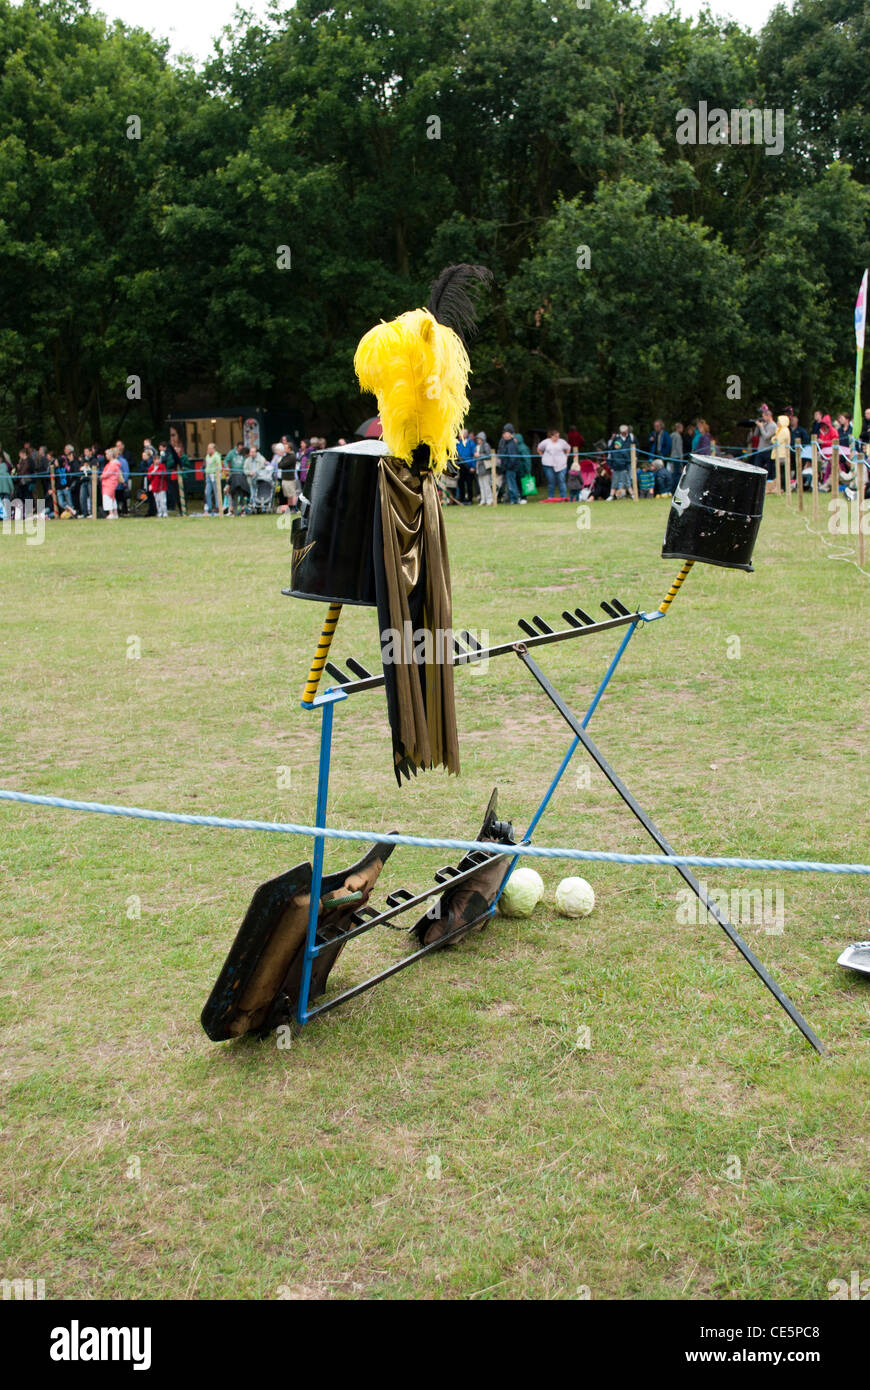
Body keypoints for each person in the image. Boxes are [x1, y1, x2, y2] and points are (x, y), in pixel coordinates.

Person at [537, 427, 571, 501]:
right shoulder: (545, 442)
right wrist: (542, 456)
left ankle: (563, 497)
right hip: (548, 464)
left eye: (558, 436)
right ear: (551, 436)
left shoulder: (562, 442)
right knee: (551, 481)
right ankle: (551, 497)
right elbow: (539, 448)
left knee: (561, 480)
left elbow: (568, 448)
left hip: (561, 464)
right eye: (555, 436)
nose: (557, 438)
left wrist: (566, 457)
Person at [606, 424, 635, 498]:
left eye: (617, 445)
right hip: (616, 469)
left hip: (623, 469)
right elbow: (610, 459)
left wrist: (626, 468)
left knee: (627, 482)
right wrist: (611, 467)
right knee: (614, 483)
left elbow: (627, 460)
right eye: (615, 444)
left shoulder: (624, 451)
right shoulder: (613, 452)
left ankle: (632, 495)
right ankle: (611, 495)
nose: (616, 446)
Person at [498, 424, 524, 504]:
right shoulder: (506, 443)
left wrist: (508, 466)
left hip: (510, 468)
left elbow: (513, 458)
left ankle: (514, 499)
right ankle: (511, 499)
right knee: (509, 484)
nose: (504, 435)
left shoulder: (512, 444)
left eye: (506, 433)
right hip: (507, 467)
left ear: (510, 434)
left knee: (511, 484)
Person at [455, 428, 476, 505]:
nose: (459, 435)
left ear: (465, 435)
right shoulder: (458, 443)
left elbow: (474, 456)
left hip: (469, 465)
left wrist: (473, 466)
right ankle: (462, 499)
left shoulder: (471, 443)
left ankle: (470, 499)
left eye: (461, 434)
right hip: (461, 466)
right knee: (461, 483)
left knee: (469, 483)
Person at [147, 450, 168, 516]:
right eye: (156, 460)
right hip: (154, 487)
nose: (157, 461)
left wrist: (157, 472)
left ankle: (164, 512)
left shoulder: (162, 466)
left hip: (162, 486)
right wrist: (152, 473)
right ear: (154, 460)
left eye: (159, 459)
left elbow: (164, 474)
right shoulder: (151, 467)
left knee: (163, 500)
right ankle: (159, 512)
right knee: (157, 500)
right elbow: (149, 477)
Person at [474, 431, 493, 505]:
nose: (478, 440)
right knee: (481, 485)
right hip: (479, 467)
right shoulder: (476, 446)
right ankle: (483, 500)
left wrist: (479, 455)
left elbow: (488, 455)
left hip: (485, 468)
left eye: (479, 438)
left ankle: (489, 499)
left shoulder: (486, 445)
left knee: (486, 485)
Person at [204, 442, 222, 514]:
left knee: (216, 492)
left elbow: (219, 466)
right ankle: (209, 507)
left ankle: (218, 507)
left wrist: (216, 474)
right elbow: (207, 465)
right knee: (207, 492)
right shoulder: (207, 456)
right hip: (208, 475)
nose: (208, 450)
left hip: (215, 476)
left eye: (209, 448)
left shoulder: (217, 456)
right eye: (208, 448)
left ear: (213, 449)